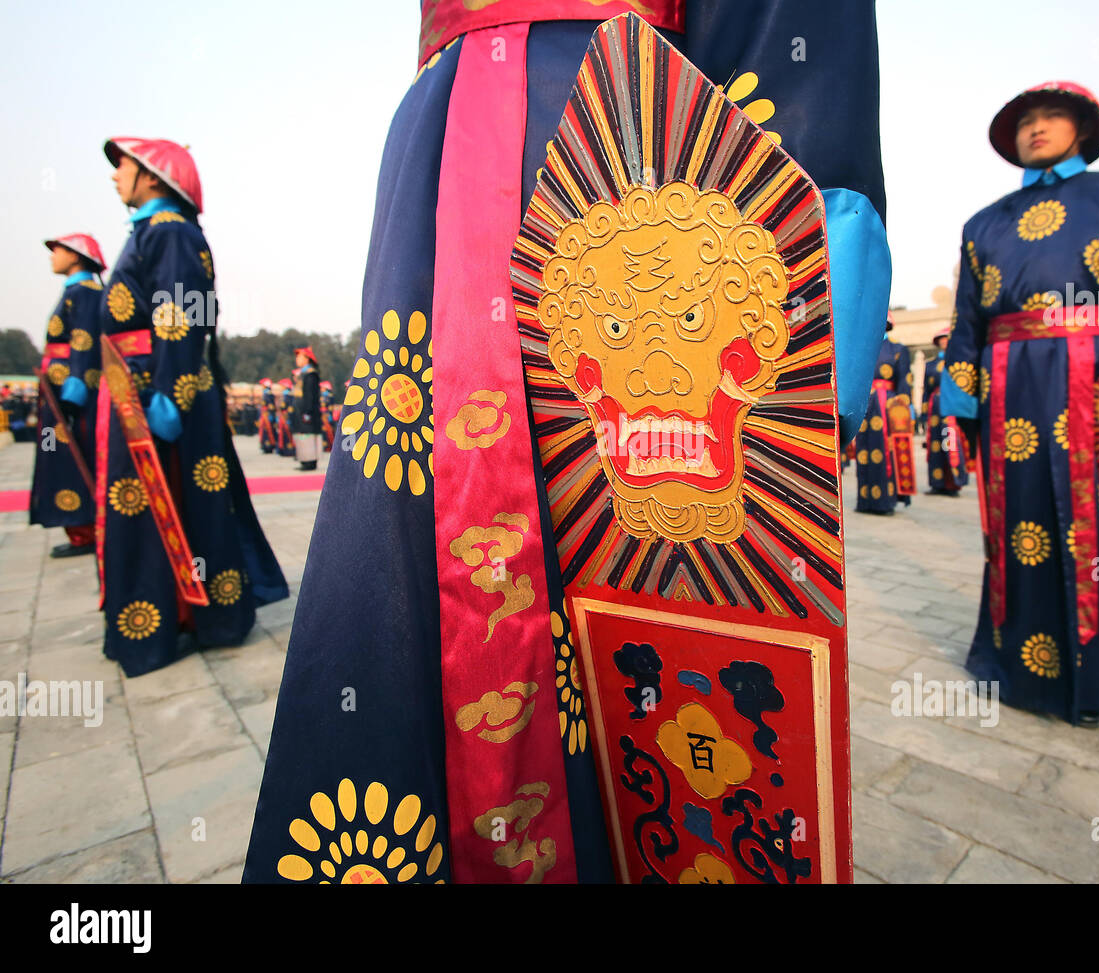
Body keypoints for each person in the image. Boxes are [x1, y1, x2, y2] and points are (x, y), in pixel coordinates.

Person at [244, 2, 889, 884]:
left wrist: (821, 292)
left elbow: (795, 48)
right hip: (439, 152)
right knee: (399, 553)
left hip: (600, 143)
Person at [941, 82, 1099, 727]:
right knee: (1016, 526)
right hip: (1009, 388)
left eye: (1052, 115)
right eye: (1026, 120)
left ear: (1081, 126)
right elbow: (968, 321)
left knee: (1096, 529)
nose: (1037, 128)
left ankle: (1095, 679)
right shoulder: (983, 223)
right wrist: (959, 404)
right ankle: (1011, 667)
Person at [96, 136, 288, 677]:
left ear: (154, 177)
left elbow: (179, 314)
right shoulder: (150, 234)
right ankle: (184, 617)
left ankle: (191, 620)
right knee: (157, 508)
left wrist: (168, 393)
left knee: (173, 503)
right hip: (141, 387)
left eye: (124, 168)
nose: (115, 178)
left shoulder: (172, 234)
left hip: (162, 389)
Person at [31, 233, 106, 557]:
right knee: (60, 458)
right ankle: (77, 529)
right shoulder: (74, 291)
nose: (52, 257)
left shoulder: (85, 293)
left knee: (73, 459)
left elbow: (84, 343)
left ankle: (85, 529)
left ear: (76, 256)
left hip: (70, 392)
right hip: (58, 386)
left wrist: (73, 393)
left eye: (57, 251)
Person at [855, 313, 912, 515]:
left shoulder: (898, 349)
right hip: (866, 404)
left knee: (886, 451)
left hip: (887, 404)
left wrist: (904, 410)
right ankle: (866, 501)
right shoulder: (863, 348)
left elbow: (905, 382)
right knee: (864, 451)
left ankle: (885, 501)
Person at [923, 328, 969, 496]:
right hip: (935, 407)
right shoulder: (930, 365)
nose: (944, 342)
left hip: (952, 406)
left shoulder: (959, 362)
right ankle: (937, 483)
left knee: (950, 442)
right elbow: (926, 390)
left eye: (946, 339)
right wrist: (922, 411)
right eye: (941, 339)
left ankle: (953, 483)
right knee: (935, 443)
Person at [290, 346, 321, 470]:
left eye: (299, 356)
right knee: (302, 436)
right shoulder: (302, 374)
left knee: (308, 436)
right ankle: (304, 460)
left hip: (307, 412)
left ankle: (310, 462)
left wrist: (307, 411)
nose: (297, 359)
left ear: (307, 359)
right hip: (300, 411)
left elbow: (310, 395)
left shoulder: (310, 375)